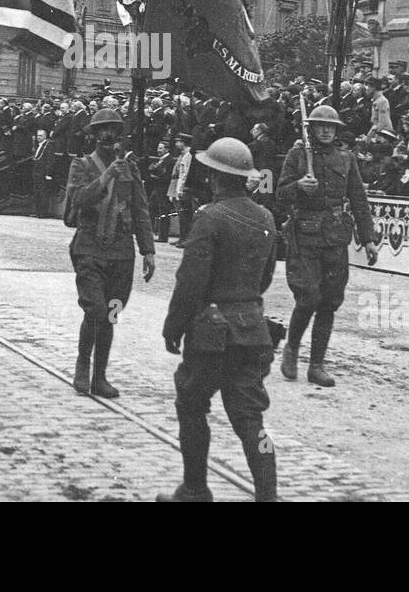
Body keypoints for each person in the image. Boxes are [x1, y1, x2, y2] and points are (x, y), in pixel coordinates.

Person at [158, 137, 279, 502]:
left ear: (213, 175)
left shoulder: (209, 216)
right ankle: (267, 497)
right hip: (253, 331)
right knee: (250, 420)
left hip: (211, 335)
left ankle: (195, 489)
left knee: (192, 405)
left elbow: (190, 281)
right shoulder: (266, 217)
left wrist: (173, 326)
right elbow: (266, 277)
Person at [275, 105, 378, 387]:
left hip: (335, 237)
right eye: (320, 126)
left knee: (330, 301)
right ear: (311, 128)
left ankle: (317, 365)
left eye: (330, 127)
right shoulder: (297, 156)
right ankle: (292, 348)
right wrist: (298, 186)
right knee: (307, 297)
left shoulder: (346, 159)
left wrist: (368, 239)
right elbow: (279, 195)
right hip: (305, 236)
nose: (325, 131)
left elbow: (358, 200)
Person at [62, 107, 156, 399]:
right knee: (96, 309)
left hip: (121, 252)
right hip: (89, 247)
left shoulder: (130, 166)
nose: (107, 135)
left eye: (113, 130)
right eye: (101, 130)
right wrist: (105, 178)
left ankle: (100, 376)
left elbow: (139, 209)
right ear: (93, 135)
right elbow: (78, 199)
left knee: (111, 314)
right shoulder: (82, 164)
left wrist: (148, 251)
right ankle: (82, 364)